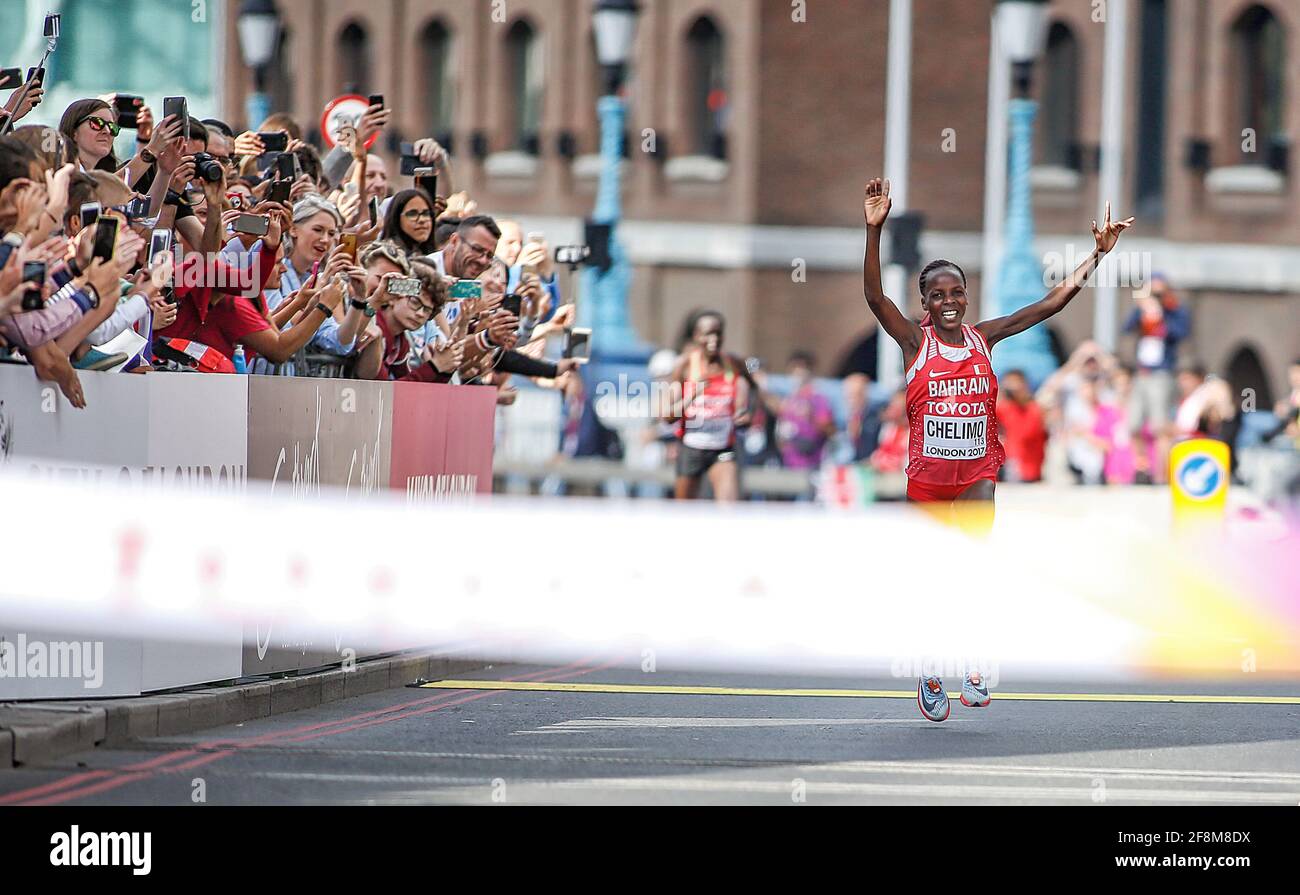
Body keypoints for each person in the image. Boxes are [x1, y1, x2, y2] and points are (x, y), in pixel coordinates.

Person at [860, 176, 1134, 721]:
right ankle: (932, 666)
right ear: (925, 304)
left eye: (956, 292)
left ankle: (978, 663)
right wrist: (874, 231)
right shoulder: (917, 342)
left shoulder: (987, 336)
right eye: (937, 295)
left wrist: (1095, 257)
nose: (949, 302)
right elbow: (873, 296)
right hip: (929, 480)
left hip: (978, 472)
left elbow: (1049, 305)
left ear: (967, 296)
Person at [664, 311, 751, 502]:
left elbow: (751, 382)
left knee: (729, 507)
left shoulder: (734, 363)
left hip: (722, 448)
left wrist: (744, 412)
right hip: (691, 447)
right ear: (696, 336)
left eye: (718, 333)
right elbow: (667, 415)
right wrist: (693, 395)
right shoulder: (684, 366)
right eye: (707, 334)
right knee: (685, 511)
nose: (713, 339)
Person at [776, 350, 836, 470]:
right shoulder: (789, 400)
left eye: (803, 368)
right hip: (790, 463)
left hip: (812, 462)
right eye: (795, 368)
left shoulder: (819, 399)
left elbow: (830, 430)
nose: (799, 373)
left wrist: (811, 416)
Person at [996, 369, 1047, 483]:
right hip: (1008, 466)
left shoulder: (1035, 409)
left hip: (1030, 469)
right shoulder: (1005, 407)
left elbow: (1029, 434)